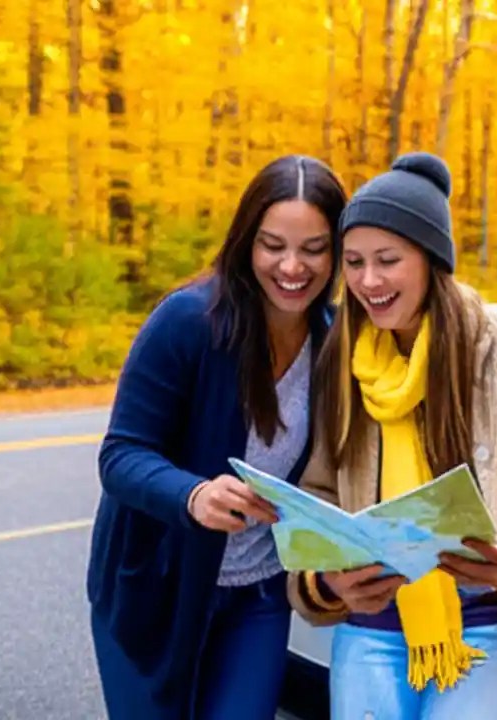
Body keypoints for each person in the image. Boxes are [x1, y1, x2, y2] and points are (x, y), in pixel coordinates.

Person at [287, 151, 497, 720]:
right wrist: (326, 581)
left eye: (388, 260)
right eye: (353, 262)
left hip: (490, 621)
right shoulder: (342, 361)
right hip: (373, 623)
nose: (368, 281)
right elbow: (319, 496)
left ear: (431, 260)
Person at [86, 154, 348, 719]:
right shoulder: (188, 323)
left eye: (313, 248)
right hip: (156, 592)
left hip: (258, 594)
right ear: (246, 240)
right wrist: (194, 494)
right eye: (273, 245)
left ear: (337, 251)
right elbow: (121, 455)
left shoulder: (334, 343)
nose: (292, 266)